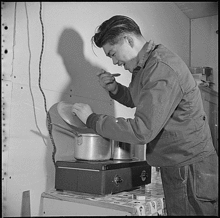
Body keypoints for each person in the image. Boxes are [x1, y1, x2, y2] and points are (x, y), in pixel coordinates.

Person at [72, 15, 218, 216]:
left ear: (127, 40)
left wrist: (92, 119)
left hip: (188, 167)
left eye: (113, 54)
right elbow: (140, 99)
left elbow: (142, 131)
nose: (115, 62)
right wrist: (114, 89)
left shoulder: (161, 67)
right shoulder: (146, 66)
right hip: (181, 163)